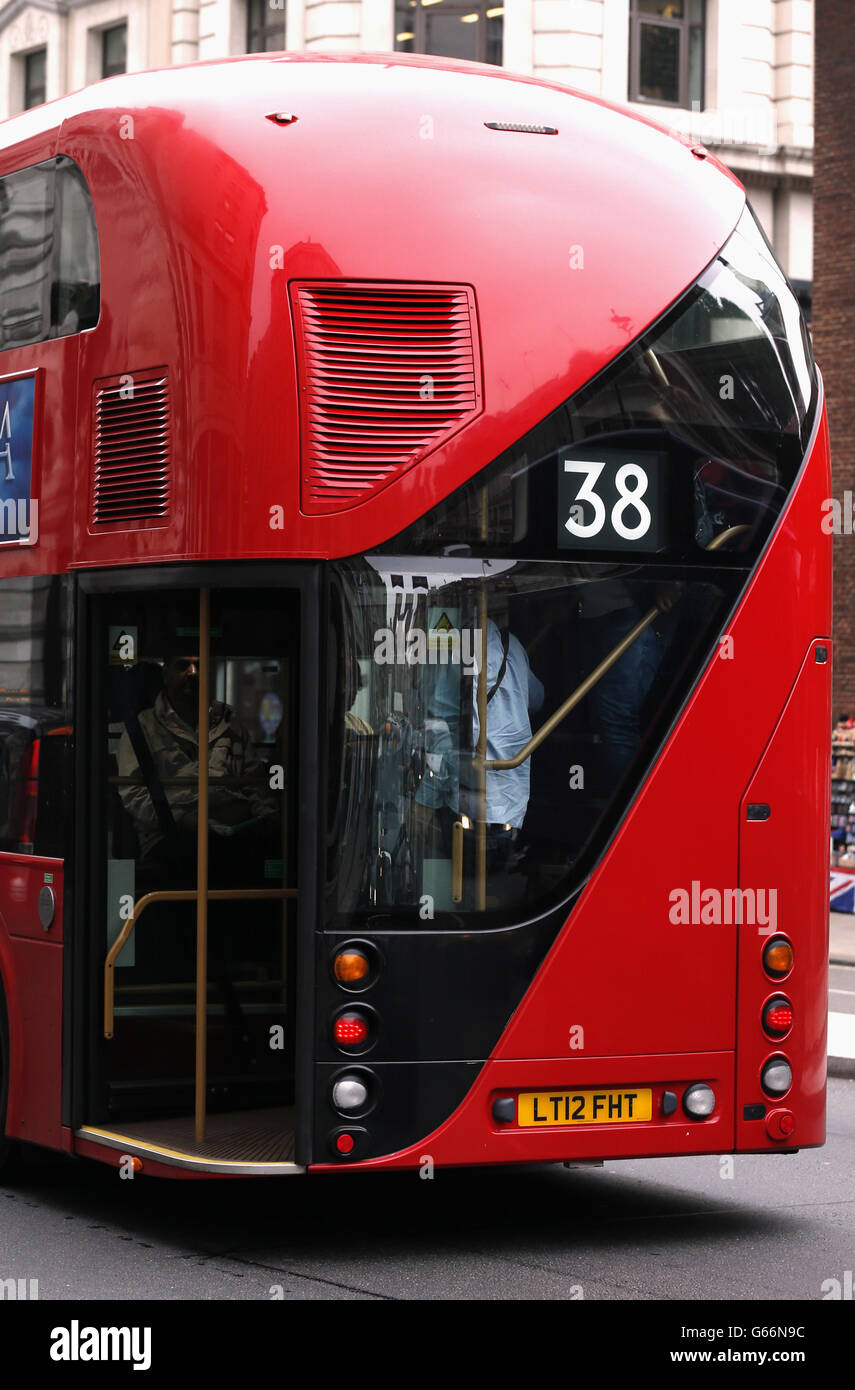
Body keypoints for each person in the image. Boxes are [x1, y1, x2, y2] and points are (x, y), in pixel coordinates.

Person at [117, 654, 276, 879]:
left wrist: (266, 817)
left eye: (199, 665)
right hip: (170, 836)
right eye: (183, 665)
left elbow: (254, 781)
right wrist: (184, 819)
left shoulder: (229, 723)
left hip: (236, 833)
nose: (193, 672)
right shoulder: (142, 729)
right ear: (166, 674)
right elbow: (133, 795)